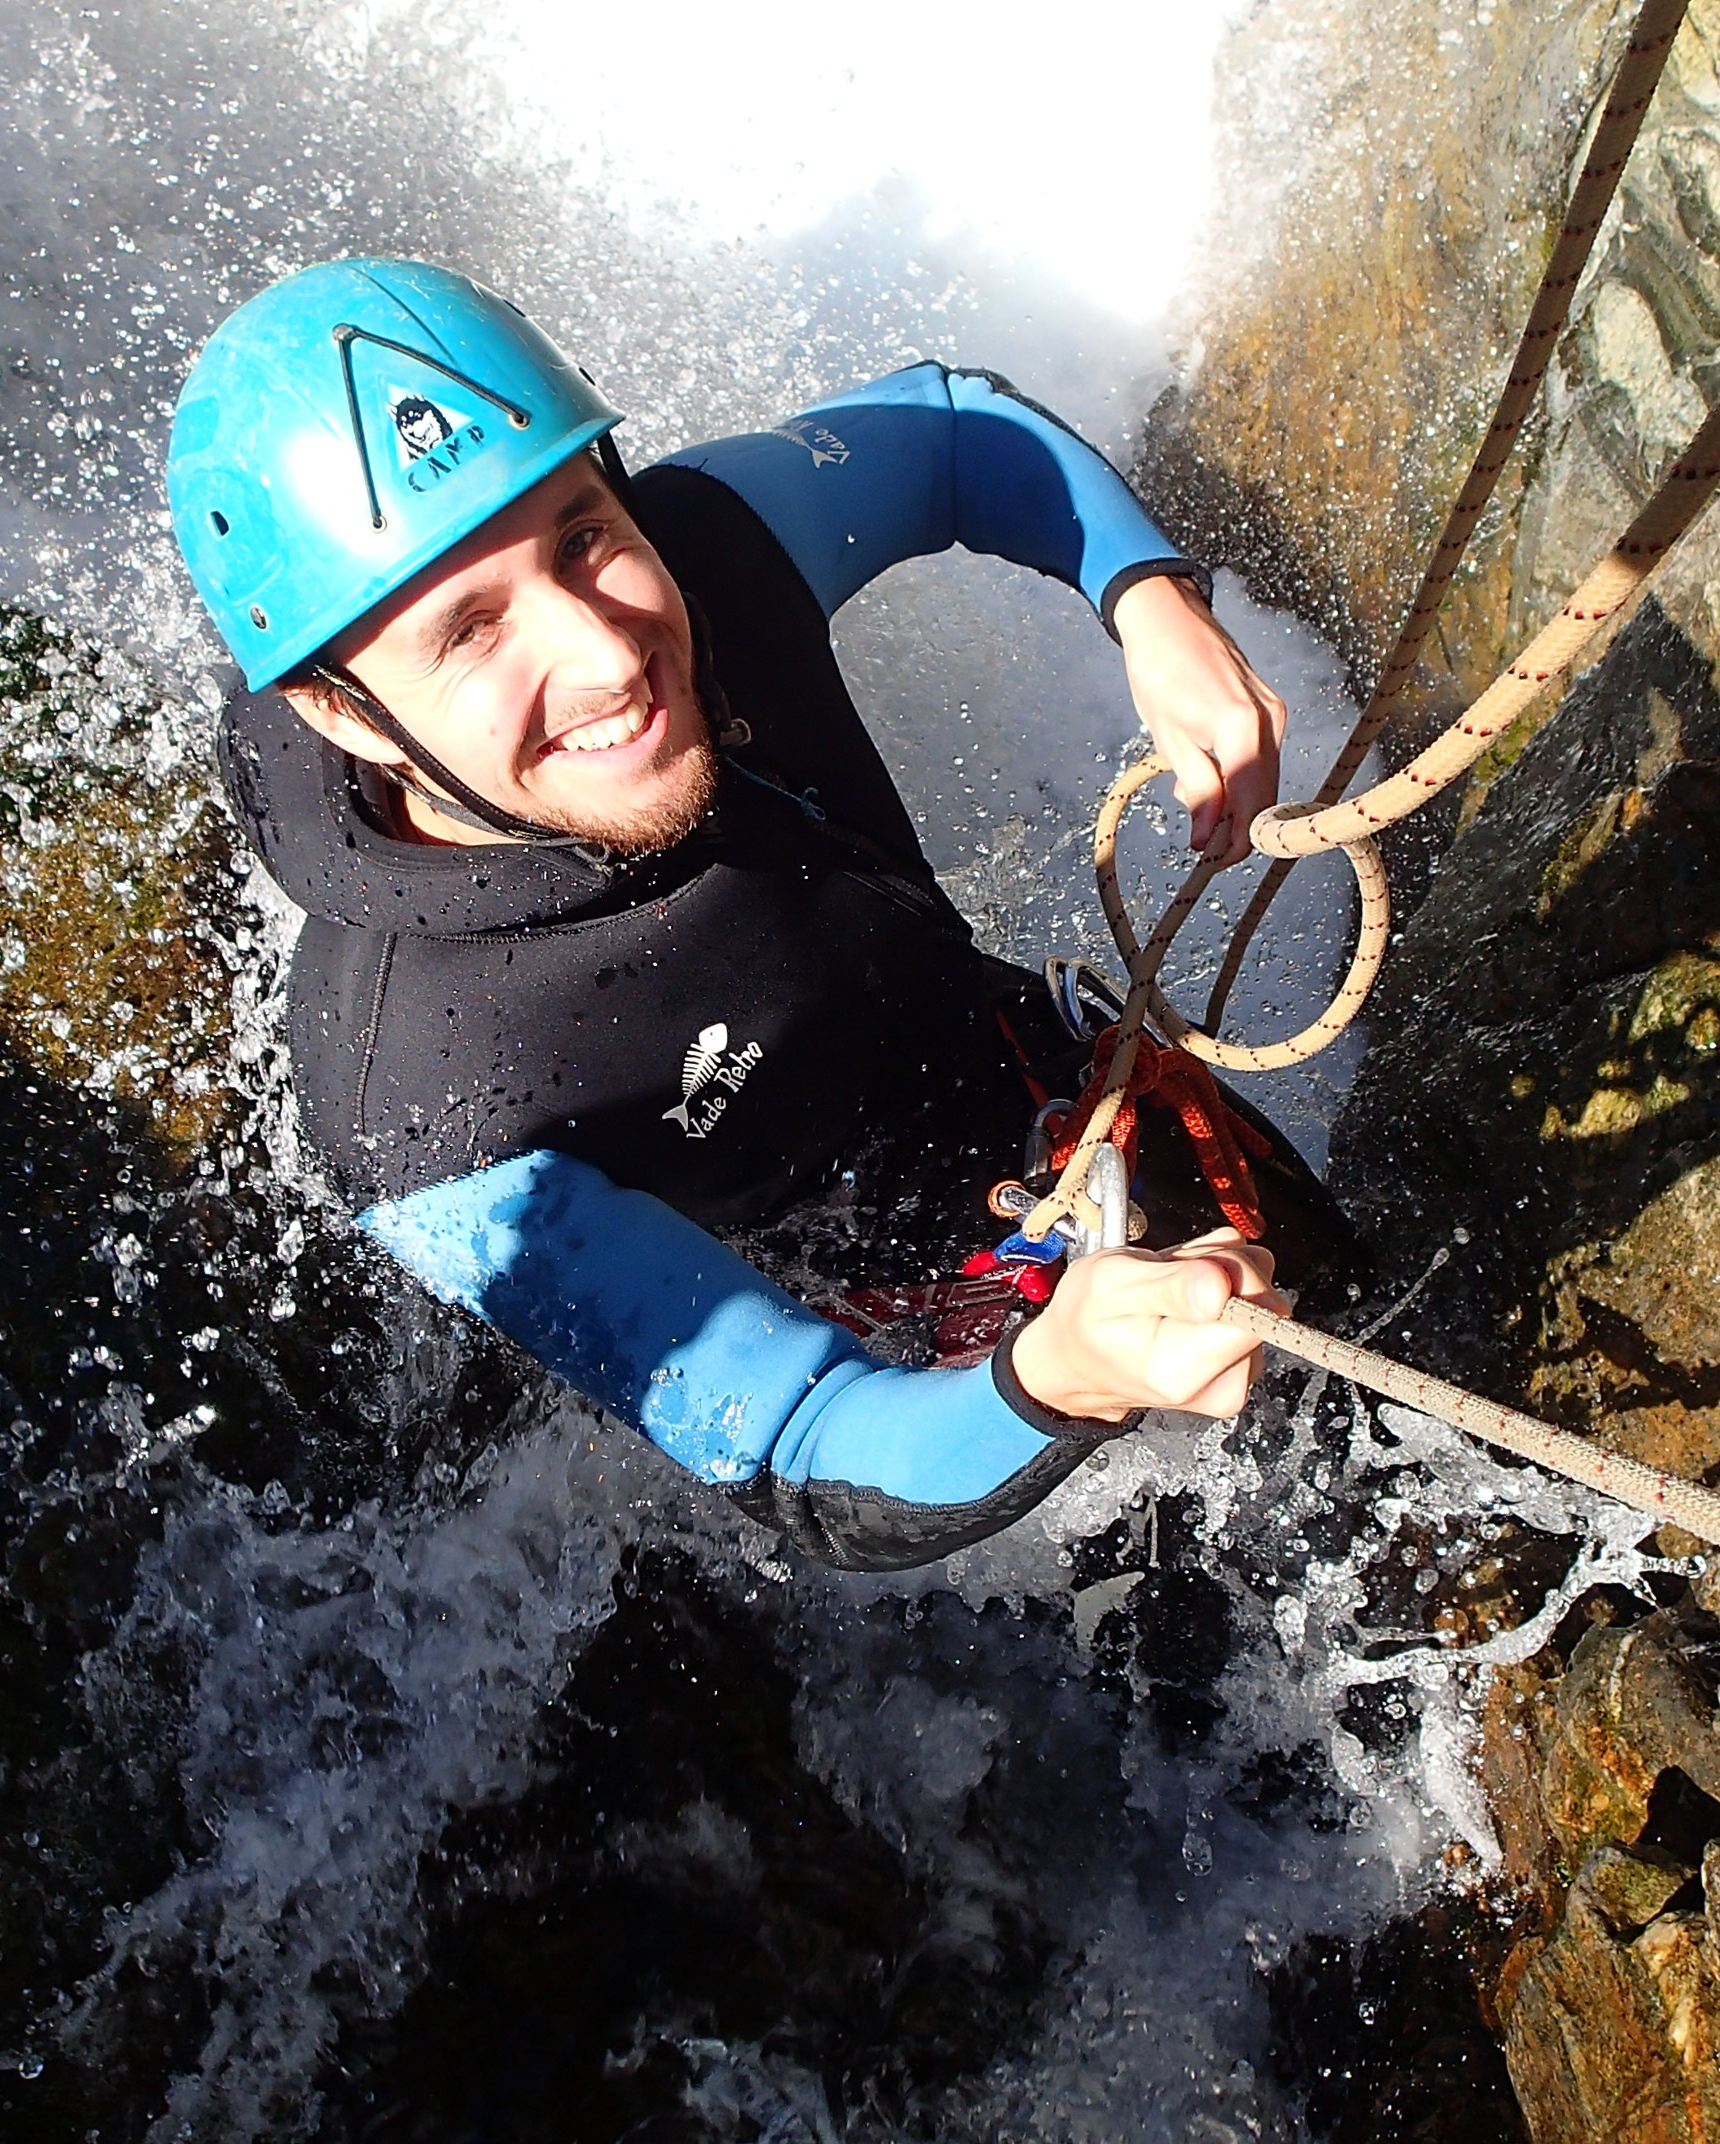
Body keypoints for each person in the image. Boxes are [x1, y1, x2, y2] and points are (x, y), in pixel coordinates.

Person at [170, 259, 1345, 1570]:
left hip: (1073, 1108)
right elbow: (806, 1447)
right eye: (470, 632)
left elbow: (957, 433)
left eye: (582, 538)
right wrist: (1057, 1376)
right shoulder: (430, 1111)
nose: (608, 654)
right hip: (947, 1386)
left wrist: (1154, 605)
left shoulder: (712, 552)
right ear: (338, 711)